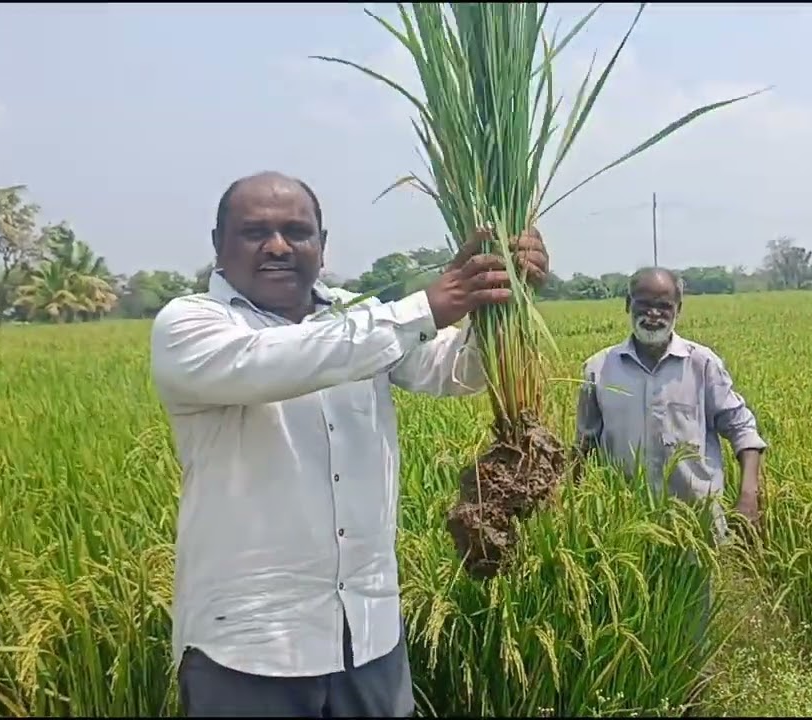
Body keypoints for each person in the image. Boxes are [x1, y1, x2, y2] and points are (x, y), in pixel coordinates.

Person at [149, 170, 549, 718]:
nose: (278, 246)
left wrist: (503, 300)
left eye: (297, 231)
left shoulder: (360, 316)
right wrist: (426, 307)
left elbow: (456, 372)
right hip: (248, 647)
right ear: (218, 243)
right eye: (253, 232)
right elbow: (283, 359)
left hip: (368, 634)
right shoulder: (191, 325)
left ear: (322, 244)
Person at [574, 266, 767, 542]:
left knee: (695, 587)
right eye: (644, 304)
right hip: (625, 529)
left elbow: (742, 430)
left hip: (696, 529)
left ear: (679, 309)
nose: (654, 314)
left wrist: (749, 495)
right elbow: (584, 447)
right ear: (628, 304)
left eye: (664, 306)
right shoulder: (598, 369)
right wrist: (572, 512)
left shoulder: (703, 364)